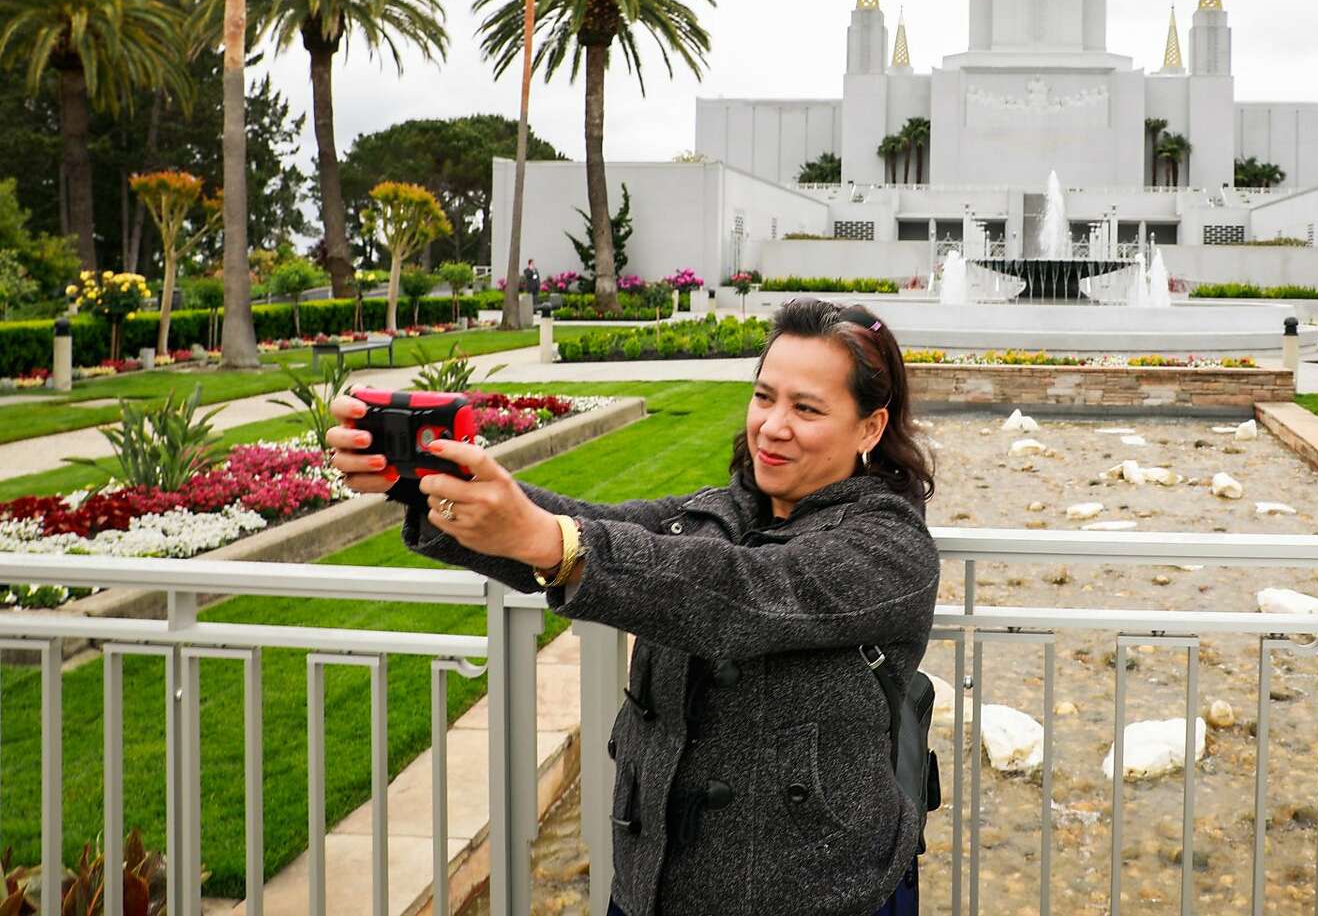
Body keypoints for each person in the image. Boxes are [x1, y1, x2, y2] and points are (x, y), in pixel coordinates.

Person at [324, 298, 940, 916]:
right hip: (652, 890)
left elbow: (740, 592)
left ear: (869, 427)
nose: (773, 425)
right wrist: (426, 484)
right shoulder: (718, 512)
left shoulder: (889, 547)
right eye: (763, 397)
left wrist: (554, 541)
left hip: (823, 896)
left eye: (806, 408)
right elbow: (587, 527)